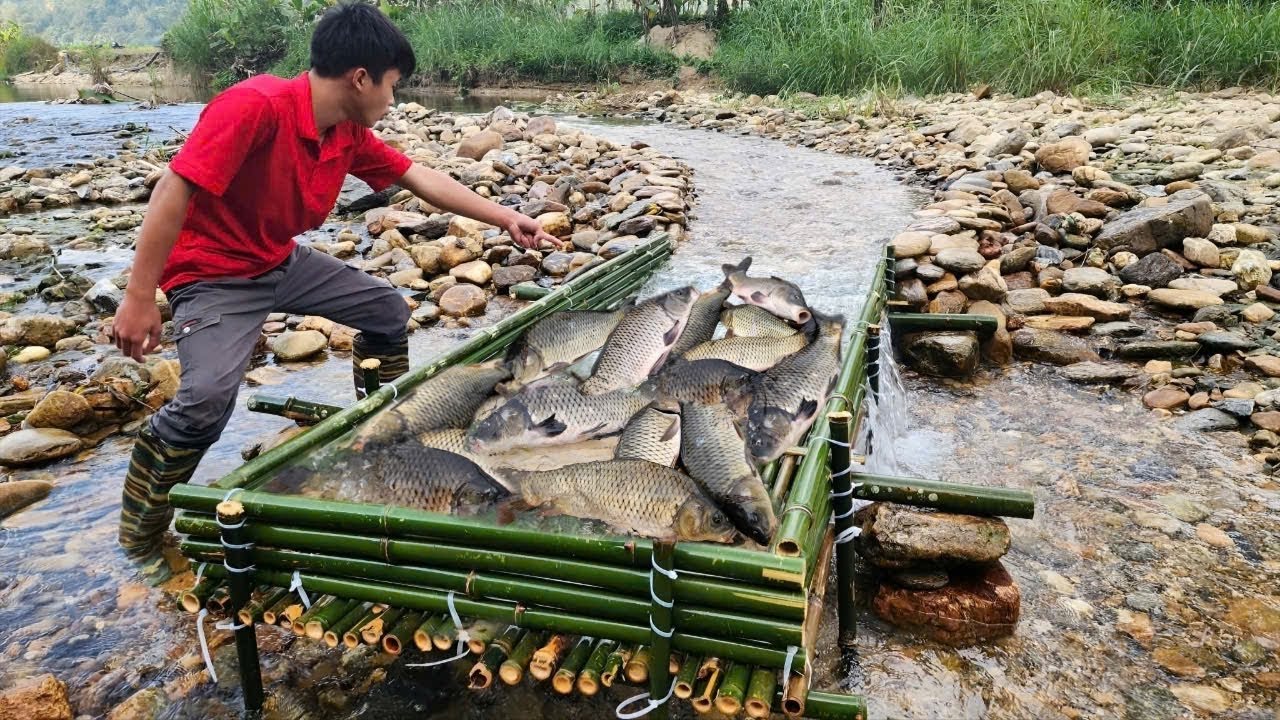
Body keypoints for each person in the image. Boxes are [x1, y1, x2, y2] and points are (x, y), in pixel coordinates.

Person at [111, 2, 559, 562]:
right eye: (392, 86)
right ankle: (141, 537)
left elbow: (418, 177)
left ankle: (379, 442)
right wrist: (137, 298)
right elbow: (171, 191)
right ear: (360, 78)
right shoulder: (254, 107)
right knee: (204, 400)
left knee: (387, 312)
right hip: (214, 275)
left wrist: (505, 217)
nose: (393, 101)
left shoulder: (345, 130)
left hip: (278, 260)